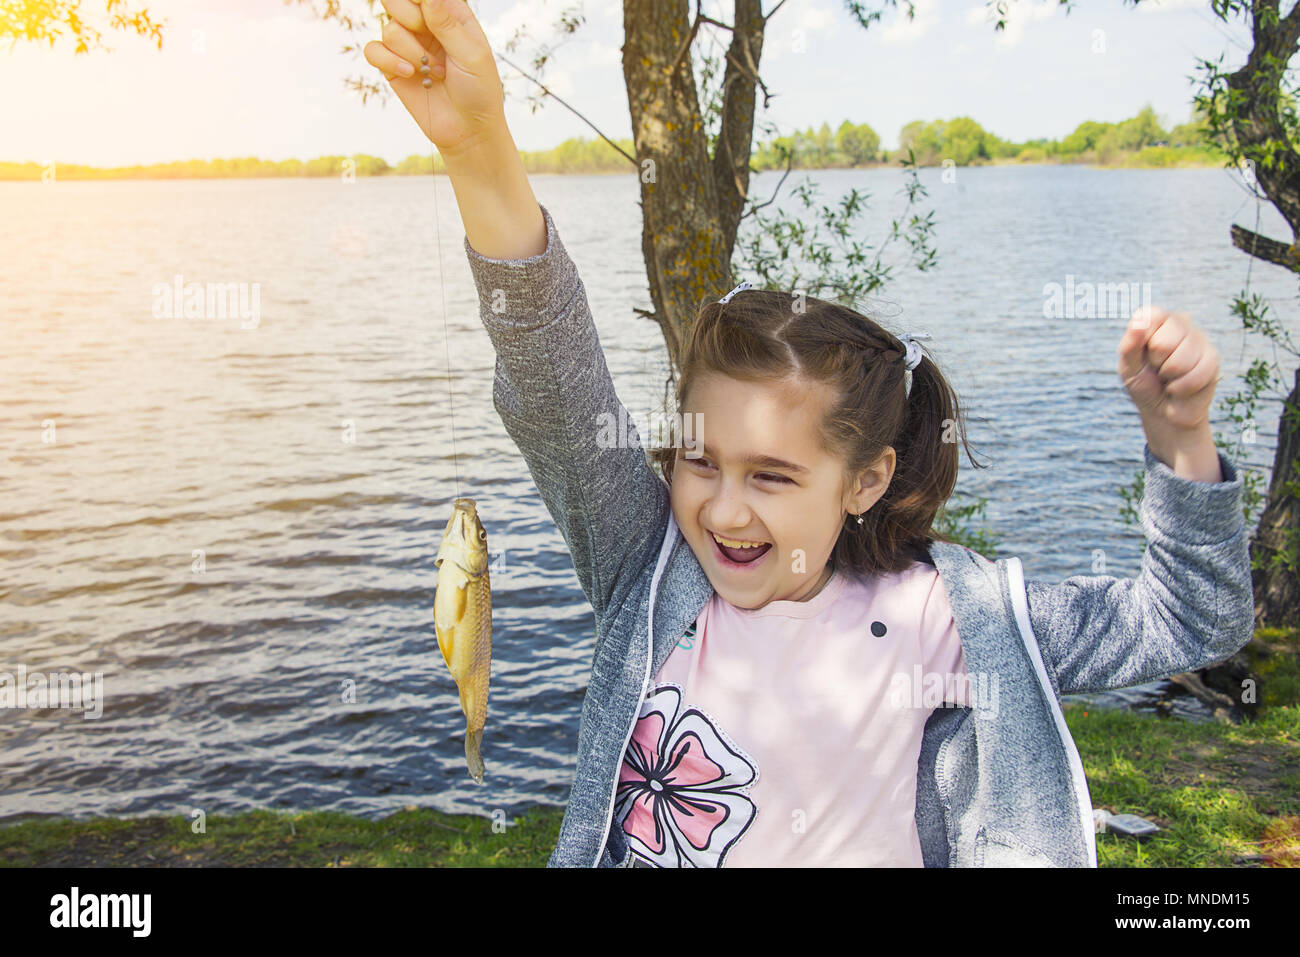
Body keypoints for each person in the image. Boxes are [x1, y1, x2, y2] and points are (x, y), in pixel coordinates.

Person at [366, 0, 1255, 867]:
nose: (723, 508)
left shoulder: (946, 622)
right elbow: (555, 379)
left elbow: (1190, 619)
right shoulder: (651, 571)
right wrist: (478, 148)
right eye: (699, 460)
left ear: (865, 480)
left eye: (774, 476)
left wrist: (1182, 439)